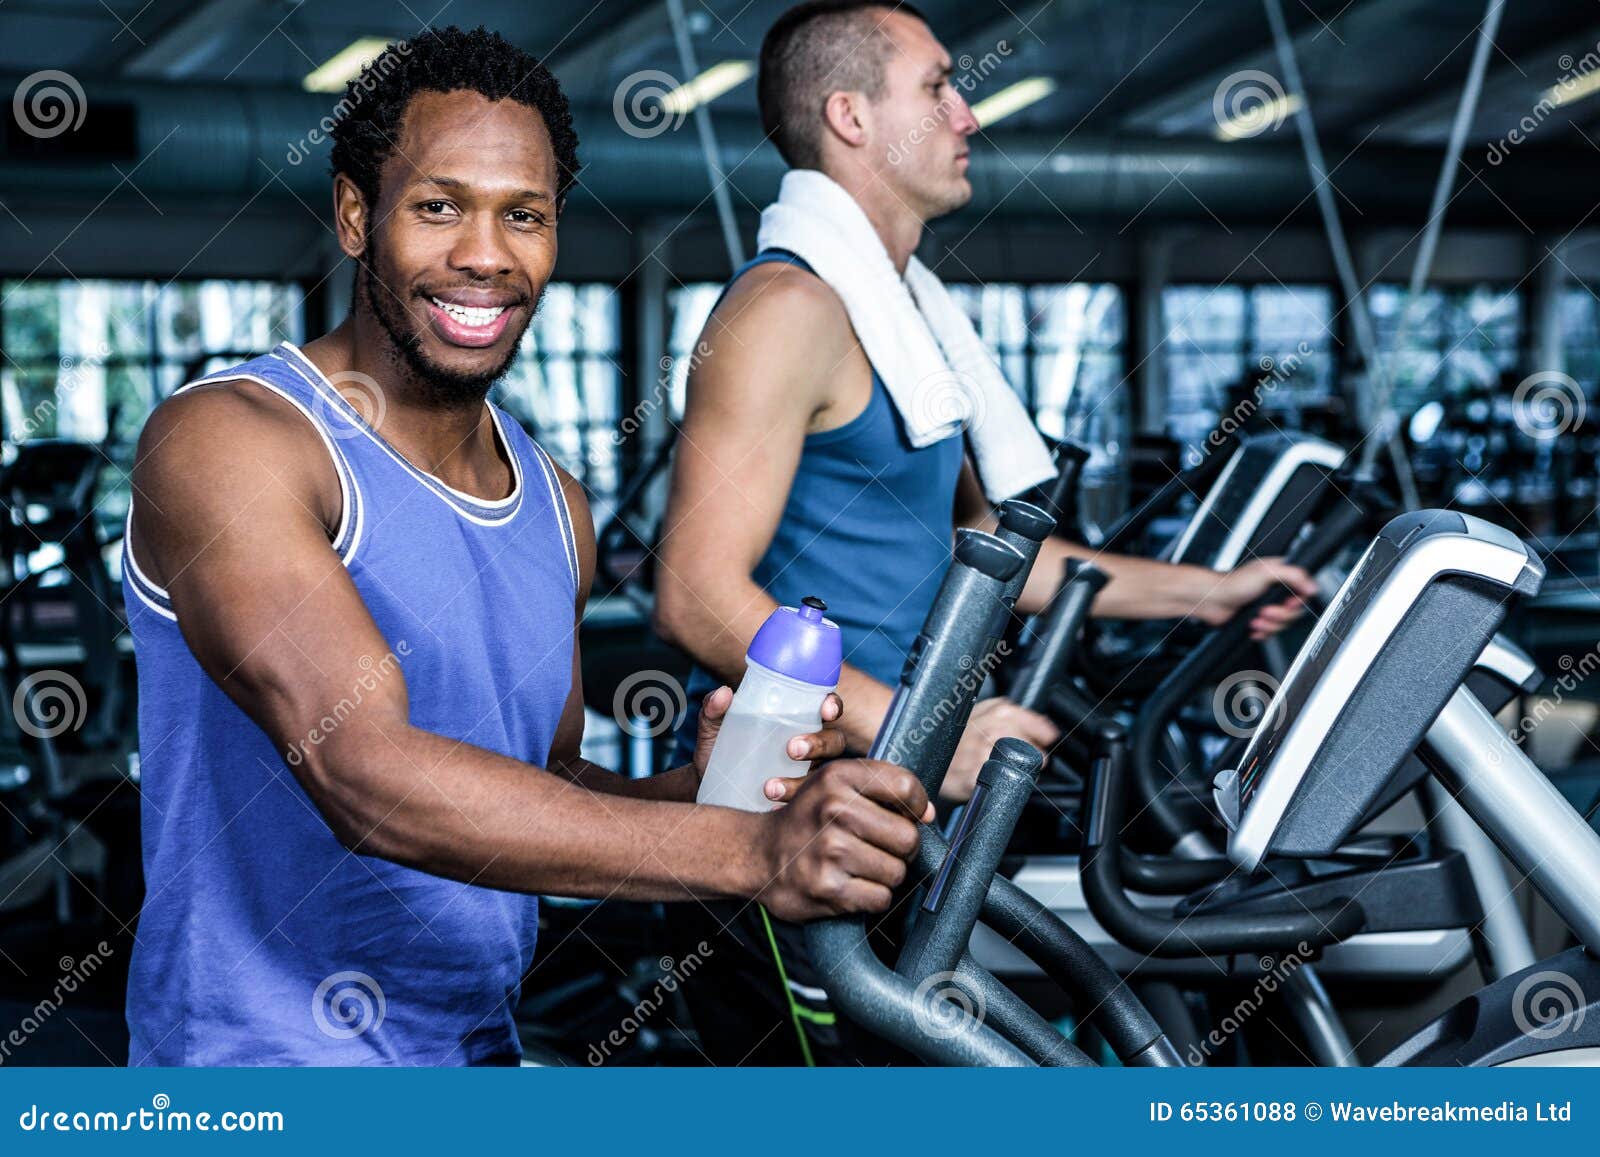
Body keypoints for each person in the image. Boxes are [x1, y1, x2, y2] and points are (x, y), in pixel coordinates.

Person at [121, 25, 931, 1067]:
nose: (485, 255)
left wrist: (717, 789)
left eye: (524, 216)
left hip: (476, 1054)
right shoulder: (232, 440)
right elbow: (366, 774)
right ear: (356, 214)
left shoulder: (556, 502)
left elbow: (544, 785)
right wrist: (751, 848)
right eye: (439, 206)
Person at [652, 0, 1318, 1065]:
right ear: (849, 116)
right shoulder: (789, 312)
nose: (967, 114)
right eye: (937, 86)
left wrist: (1214, 590)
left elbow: (997, 553)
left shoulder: (900, 323)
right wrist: (916, 729)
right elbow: (694, 592)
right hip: (789, 808)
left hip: (889, 799)